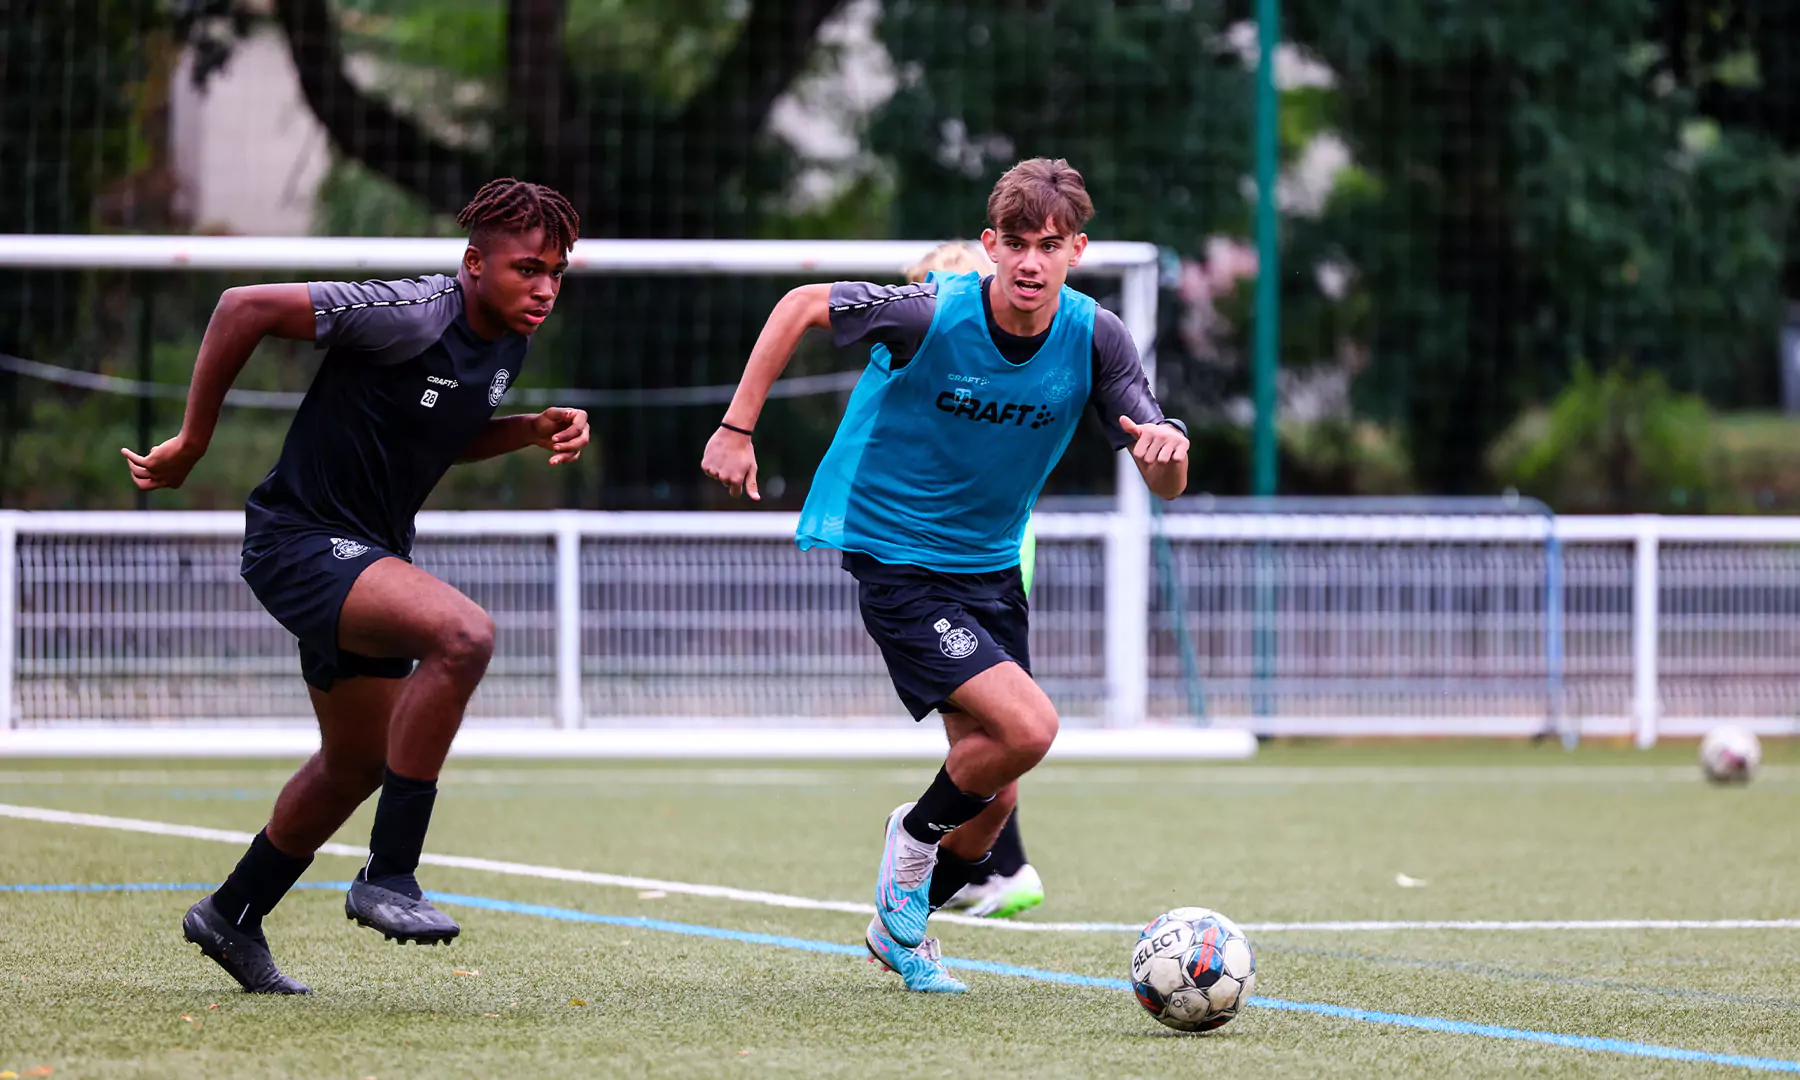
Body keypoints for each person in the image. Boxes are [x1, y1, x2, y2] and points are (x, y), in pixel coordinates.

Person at [702, 159, 1189, 992]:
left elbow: (1162, 471)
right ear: (990, 245)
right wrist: (736, 426)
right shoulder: (932, 312)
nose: (1033, 263)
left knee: (996, 796)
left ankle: (904, 932)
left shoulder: (1096, 334)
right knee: (1030, 729)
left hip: (992, 573)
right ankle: (911, 836)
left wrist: (1166, 448)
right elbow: (800, 305)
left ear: (1078, 248)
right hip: (900, 563)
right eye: (1018, 245)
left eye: (1052, 246)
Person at [121, 178, 591, 994]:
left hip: (360, 553)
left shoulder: (507, 338)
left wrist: (525, 429)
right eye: (528, 269)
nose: (545, 288)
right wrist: (194, 441)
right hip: (298, 542)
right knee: (465, 634)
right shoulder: (409, 311)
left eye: (557, 271)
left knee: (357, 760)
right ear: (474, 263)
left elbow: (436, 425)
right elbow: (241, 307)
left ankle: (232, 914)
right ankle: (391, 875)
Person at [900, 241, 1046, 921]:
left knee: (1004, 751)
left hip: (986, 574)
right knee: (995, 758)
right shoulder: (924, 371)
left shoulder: (1005, 369)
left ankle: (978, 872)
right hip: (935, 572)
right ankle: (935, 895)